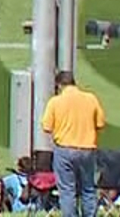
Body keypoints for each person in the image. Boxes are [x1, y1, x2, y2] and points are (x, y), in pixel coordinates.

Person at [41, 70, 106, 217]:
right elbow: (100, 123)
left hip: (64, 149)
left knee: (67, 191)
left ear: (59, 85)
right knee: (88, 188)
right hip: (87, 149)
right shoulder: (91, 99)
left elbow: (46, 127)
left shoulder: (55, 102)